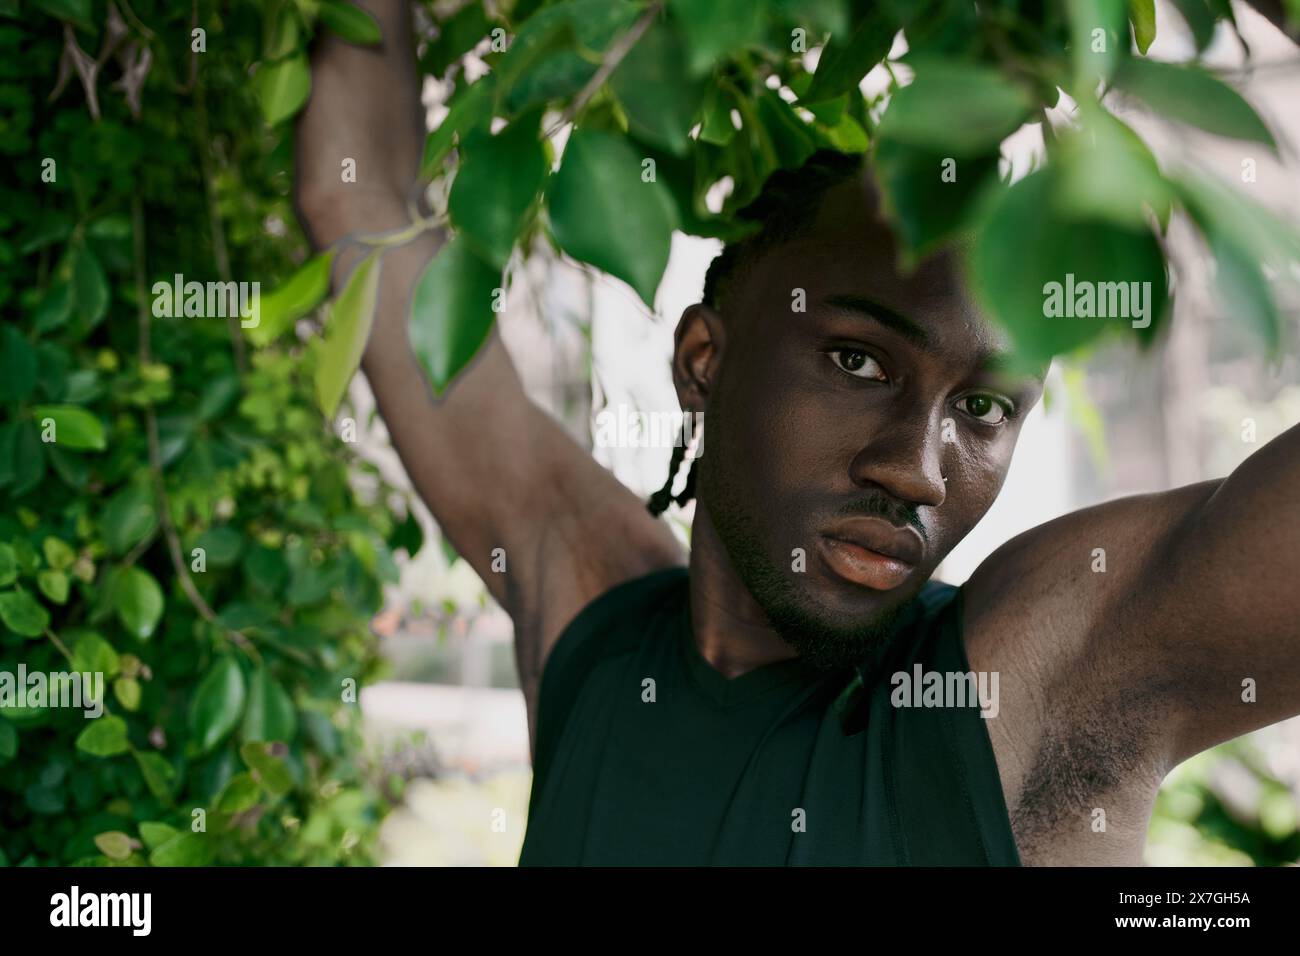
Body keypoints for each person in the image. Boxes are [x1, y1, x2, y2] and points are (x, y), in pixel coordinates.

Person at [295, 0, 1300, 865]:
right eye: (857, 360)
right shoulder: (591, 618)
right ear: (703, 360)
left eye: (982, 407)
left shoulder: (1037, 676)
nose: (914, 468)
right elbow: (359, 197)